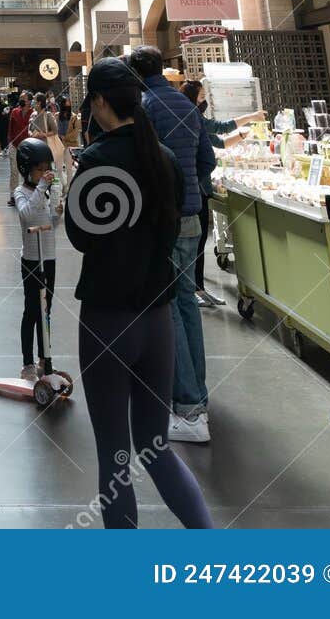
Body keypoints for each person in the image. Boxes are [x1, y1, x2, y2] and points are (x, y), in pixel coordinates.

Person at [65, 58, 212, 530]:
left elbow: (81, 238)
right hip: (157, 319)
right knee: (156, 447)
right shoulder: (163, 159)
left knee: (114, 457)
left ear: (100, 103)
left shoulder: (95, 161)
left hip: (108, 320)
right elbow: (170, 233)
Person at [128, 46, 215, 442]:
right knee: (186, 304)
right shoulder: (185, 105)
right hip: (193, 216)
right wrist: (193, 192)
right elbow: (207, 159)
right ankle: (198, 394)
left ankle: (189, 410)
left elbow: (143, 163)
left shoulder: (144, 107)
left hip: (165, 220)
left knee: (170, 311)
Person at [180, 81, 265, 310]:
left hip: (201, 188)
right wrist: (252, 116)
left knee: (197, 243)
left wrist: (244, 135)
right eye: (201, 96)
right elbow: (220, 128)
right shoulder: (194, 117)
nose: (204, 100)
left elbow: (219, 141)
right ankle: (192, 289)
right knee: (194, 244)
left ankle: (197, 288)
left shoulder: (193, 121)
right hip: (196, 189)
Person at [13, 138, 61, 379]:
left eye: (46, 169)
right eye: (39, 169)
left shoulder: (46, 192)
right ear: (26, 169)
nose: (45, 174)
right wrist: (42, 187)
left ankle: (45, 357)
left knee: (46, 310)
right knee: (32, 310)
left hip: (49, 258)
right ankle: (28, 363)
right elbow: (27, 215)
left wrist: (57, 213)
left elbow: (49, 224)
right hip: (32, 260)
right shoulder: (21, 192)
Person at [6, 91, 33, 204]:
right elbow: (10, 128)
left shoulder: (33, 113)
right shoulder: (14, 111)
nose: (21, 100)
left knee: (27, 172)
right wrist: (10, 142)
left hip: (28, 147)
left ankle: (27, 195)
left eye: (24, 98)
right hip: (15, 145)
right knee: (14, 171)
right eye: (21, 98)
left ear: (29, 101)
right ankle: (13, 195)